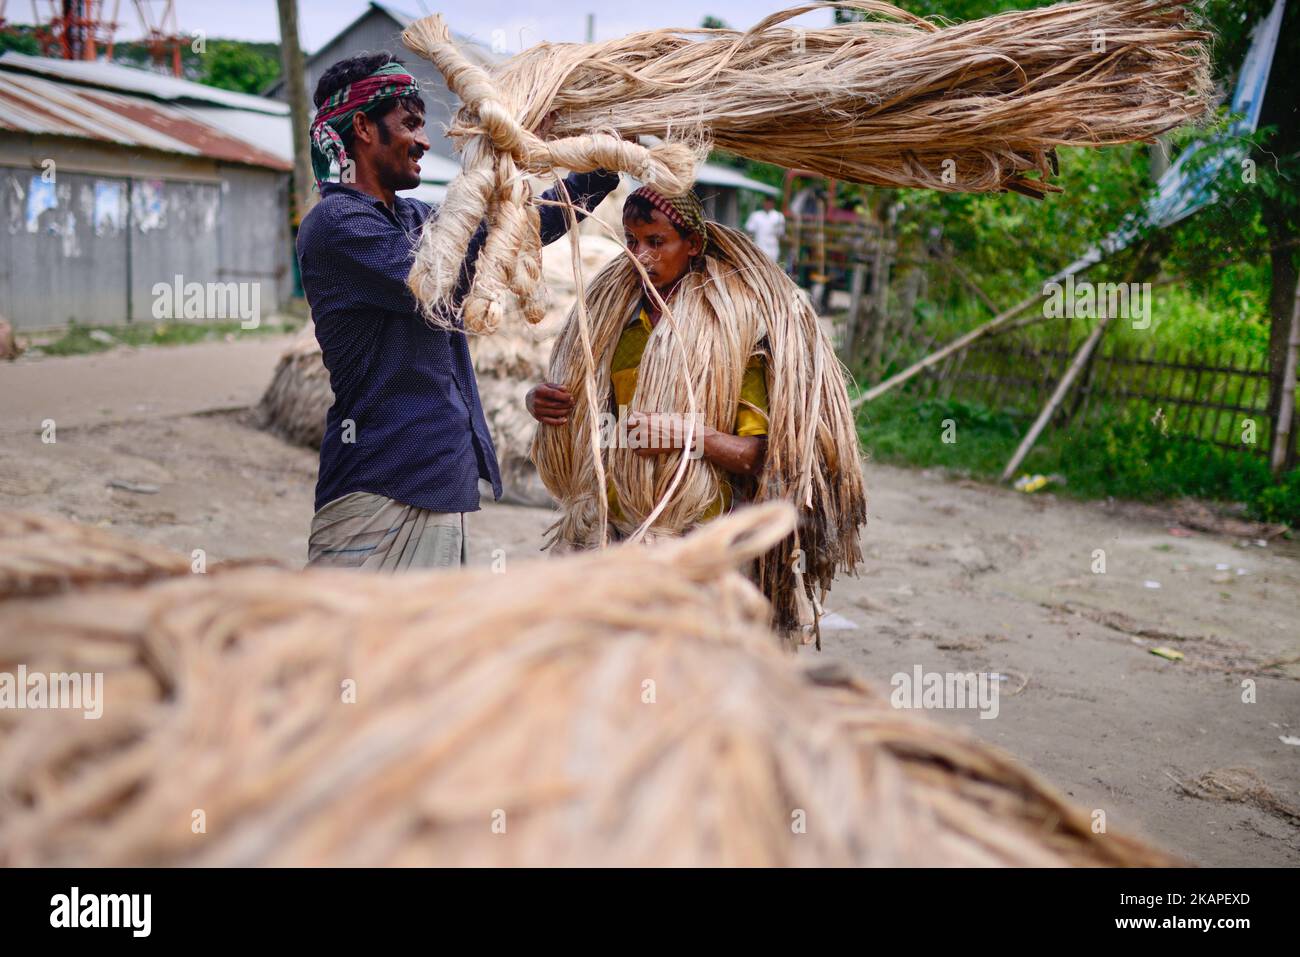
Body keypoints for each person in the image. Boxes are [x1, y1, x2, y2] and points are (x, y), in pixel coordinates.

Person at [296, 52, 619, 570]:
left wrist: (600, 166)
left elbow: (516, 233)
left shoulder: (412, 216)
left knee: (425, 652)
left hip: (433, 482)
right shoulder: (338, 225)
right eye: (411, 125)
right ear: (362, 127)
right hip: (381, 487)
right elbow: (445, 273)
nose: (424, 142)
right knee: (353, 649)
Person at [526, 186, 866, 644]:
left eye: (655, 241)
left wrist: (690, 435)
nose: (640, 256)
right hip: (610, 526)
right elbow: (597, 421)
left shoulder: (733, 331)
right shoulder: (616, 324)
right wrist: (541, 404)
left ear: (693, 245)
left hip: (695, 538)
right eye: (631, 240)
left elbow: (762, 457)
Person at [744, 196, 785, 261]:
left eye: (770, 203)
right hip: (758, 248)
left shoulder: (779, 216)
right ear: (764, 203)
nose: (768, 204)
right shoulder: (756, 215)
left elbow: (781, 234)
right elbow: (749, 231)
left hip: (773, 250)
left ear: (773, 204)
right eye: (767, 202)